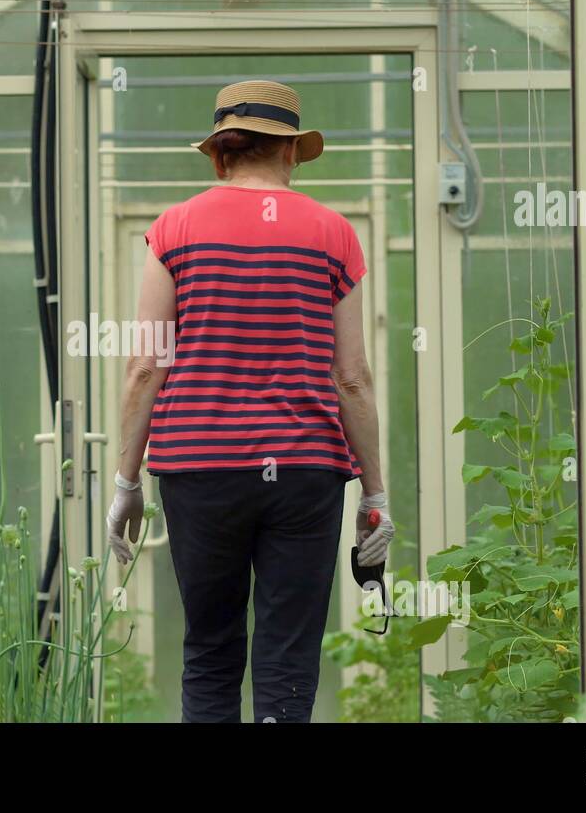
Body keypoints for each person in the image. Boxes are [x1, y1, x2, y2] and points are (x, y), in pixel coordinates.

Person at [105, 80, 395, 723]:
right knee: (289, 657)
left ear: (218, 155)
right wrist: (374, 498)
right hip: (304, 470)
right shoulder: (334, 234)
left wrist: (125, 482)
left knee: (209, 650)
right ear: (291, 153)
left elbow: (146, 365)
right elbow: (352, 377)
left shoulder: (172, 230)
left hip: (199, 469)